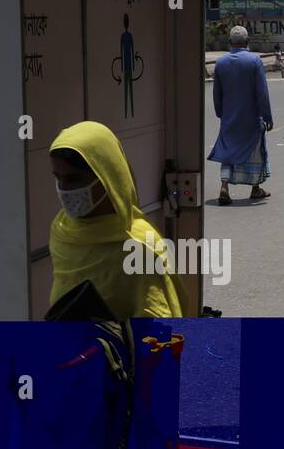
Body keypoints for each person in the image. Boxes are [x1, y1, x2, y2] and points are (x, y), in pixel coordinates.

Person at [48, 121, 188, 320]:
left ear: (107, 177)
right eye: (57, 178)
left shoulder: (140, 244)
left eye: (74, 179)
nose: (64, 189)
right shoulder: (62, 229)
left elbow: (156, 322)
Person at [209, 24, 273, 205]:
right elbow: (262, 93)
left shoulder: (221, 62)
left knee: (227, 151)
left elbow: (217, 93)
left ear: (230, 42)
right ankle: (256, 188)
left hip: (229, 117)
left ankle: (224, 186)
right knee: (256, 150)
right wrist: (267, 116)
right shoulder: (254, 61)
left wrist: (220, 112)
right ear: (248, 41)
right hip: (252, 118)